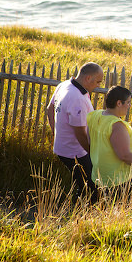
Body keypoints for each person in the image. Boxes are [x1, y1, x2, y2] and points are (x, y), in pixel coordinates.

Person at [46, 62, 104, 204]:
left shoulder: (64, 85)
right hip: (76, 151)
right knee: (92, 187)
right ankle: (79, 213)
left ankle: (77, 210)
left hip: (65, 147)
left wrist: (56, 133)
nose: (98, 85)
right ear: (88, 78)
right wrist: (91, 152)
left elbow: (49, 109)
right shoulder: (77, 98)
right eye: (98, 81)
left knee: (83, 184)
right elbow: (79, 132)